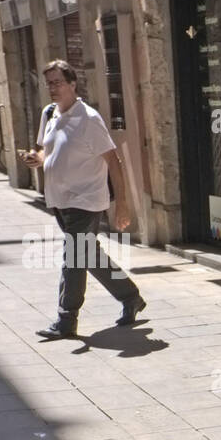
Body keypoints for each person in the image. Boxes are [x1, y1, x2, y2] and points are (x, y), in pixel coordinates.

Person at [22, 59, 145, 339]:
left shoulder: (89, 119)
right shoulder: (49, 113)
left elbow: (113, 161)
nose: (52, 88)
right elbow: (44, 150)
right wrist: (35, 159)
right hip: (59, 199)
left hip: (87, 200)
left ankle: (67, 319)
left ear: (72, 83)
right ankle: (130, 297)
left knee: (74, 257)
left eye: (58, 82)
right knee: (88, 255)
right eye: (49, 83)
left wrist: (122, 203)